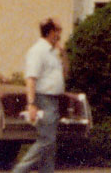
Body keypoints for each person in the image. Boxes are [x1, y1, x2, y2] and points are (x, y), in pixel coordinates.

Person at [12, 18, 66, 173]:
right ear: (50, 32)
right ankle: (19, 171)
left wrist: (63, 54)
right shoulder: (38, 51)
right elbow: (31, 78)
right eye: (58, 30)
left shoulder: (52, 52)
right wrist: (31, 104)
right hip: (44, 99)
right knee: (46, 140)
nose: (60, 34)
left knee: (50, 144)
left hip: (53, 100)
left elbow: (64, 73)